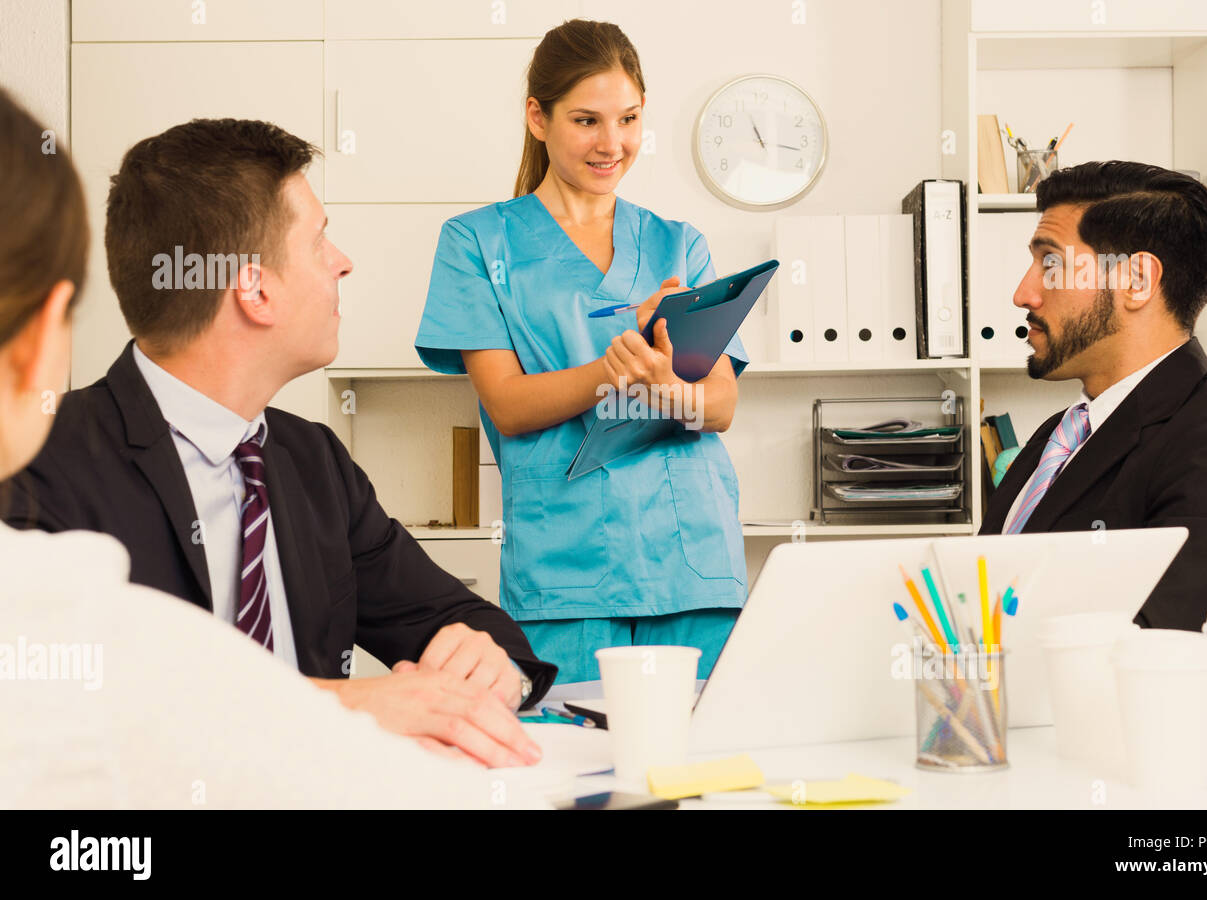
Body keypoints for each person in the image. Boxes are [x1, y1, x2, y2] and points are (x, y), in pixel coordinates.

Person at [0, 86, 550, 806]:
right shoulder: (41, 464)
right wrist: (339, 706)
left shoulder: (311, 460)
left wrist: (492, 665)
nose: (342, 262)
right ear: (253, 291)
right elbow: (59, 703)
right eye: (320, 238)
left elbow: (470, 625)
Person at [414, 19, 746, 684]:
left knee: (704, 768)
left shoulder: (678, 244)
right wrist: (614, 370)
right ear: (537, 118)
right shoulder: (477, 243)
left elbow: (720, 406)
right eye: (586, 120)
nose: (612, 143)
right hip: (567, 572)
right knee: (571, 770)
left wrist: (664, 380)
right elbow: (507, 405)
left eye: (628, 119)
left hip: (694, 561)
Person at [980, 160, 1207, 630]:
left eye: (1051, 264)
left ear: (1135, 281)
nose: (1023, 293)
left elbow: (1162, 651)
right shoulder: (1063, 434)